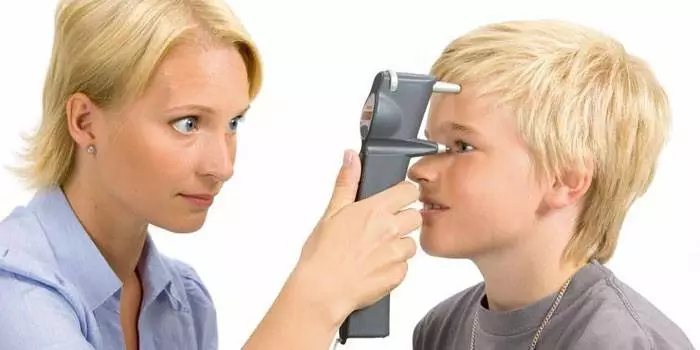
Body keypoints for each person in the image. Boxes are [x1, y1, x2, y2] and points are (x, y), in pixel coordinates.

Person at [0, 1, 422, 349]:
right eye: (187, 123)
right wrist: (317, 294)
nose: (222, 167)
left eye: (233, 123)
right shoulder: (14, 293)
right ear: (85, 121)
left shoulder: (185, 302)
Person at [408, 19, 695, 349]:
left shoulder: (617, 341)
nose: (420, 169)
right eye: (433, 145)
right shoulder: (439, 330)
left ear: (565, 180)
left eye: (461, 146)